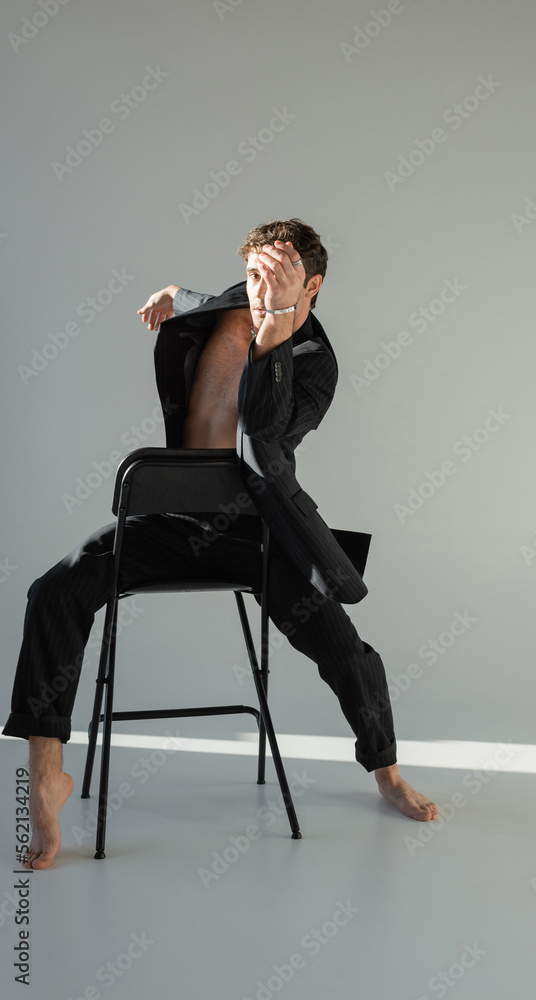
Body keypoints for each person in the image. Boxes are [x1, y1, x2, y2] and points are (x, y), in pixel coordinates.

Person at [3, 218, 438, 870]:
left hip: (257, 533)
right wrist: (171, 292)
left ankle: (388, 772)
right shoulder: (225, 307)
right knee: (53, 592)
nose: (258, 290)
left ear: (312, 286)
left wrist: (273, 334)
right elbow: (200, 298)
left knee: (344, 649)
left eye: (276, 279)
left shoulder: (315, 365)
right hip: (170, 519)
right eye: (253, 274)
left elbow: (264, 437)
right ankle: (46, 776)